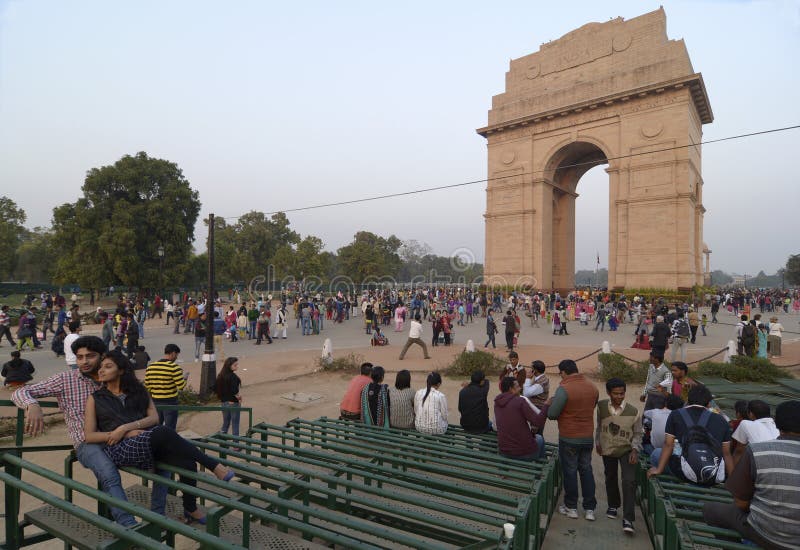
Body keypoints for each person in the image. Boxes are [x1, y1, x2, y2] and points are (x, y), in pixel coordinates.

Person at [84, 350, 234, 525]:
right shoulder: (95, 398)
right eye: (101, 367)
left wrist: (127, 427)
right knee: (163, 431)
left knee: (187, 462)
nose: (101, 370)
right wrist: (117, 433)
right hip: (120, 448)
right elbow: (89, 436)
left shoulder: (138, 390)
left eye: (108, 366)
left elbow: (153, 417)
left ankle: (190, 508)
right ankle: (213, 465)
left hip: (146, 441)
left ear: (122, 370)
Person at [12, 336, 140, 527]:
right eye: (79, 357)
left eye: (90, 356)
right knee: (108, 473)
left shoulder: (111, 378)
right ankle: (129, 525)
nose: (84, 361)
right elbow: (20, 391)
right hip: (87, 443)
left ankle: (168, 512)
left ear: (103, 356)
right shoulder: (66, 380)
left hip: (117, 437)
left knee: (162, 459)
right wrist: (32, 405)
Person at [702, 400, 800, 550]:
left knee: (710, 510)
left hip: (767, 536)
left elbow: (741, 503)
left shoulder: (758, 450)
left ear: (777, 423)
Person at [647, 385, 733, 484]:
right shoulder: (721, 420)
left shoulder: (676, 414)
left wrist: (659, 469)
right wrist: (732, 479)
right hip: (712, 474)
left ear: (687, 400)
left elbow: (668, 444)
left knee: (656, 453)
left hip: (685, 471)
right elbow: (726, 453)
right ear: (709, 404)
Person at [548, 359, 599, 521]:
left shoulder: (564, 388)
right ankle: (590, 509)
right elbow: (592, 405)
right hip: (587, 437)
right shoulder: (592, 387)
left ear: (564, 372)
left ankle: (571, 507)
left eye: (560, 373)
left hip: (569, 437)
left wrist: (552, 404)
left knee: (570, 472)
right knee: (586, 470)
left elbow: (552, 414)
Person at [595, 378, 642, 534]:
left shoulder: (634, 411)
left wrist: (635, 450)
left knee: (629, 481)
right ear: (609, 393)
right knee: (610, 476)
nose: (619, 397)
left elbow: (637, 434)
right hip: (608, 448)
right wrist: (598, 442)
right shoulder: (601, 406)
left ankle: (628, 518)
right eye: (615, 394)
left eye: (622, 393)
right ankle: (613, 505)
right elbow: (599, 426)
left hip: (627, 450)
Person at [494, 376, 547, 460]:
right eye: (517, 386)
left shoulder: (497, 403)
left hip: (503, 451)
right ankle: (542, 467)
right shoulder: (520, 401)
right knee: (539, 439)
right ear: (511, 389)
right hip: (524, 453)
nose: (520, 388)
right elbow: (538, 422)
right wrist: (546, 406)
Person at [143, 343, 187, 430]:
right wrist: (185, 378)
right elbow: (181, 386)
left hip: (155, 402)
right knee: (170, 428)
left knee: (156, 427)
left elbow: (147, 387)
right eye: (177, 355)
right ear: (173, 353)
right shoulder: (174, 367)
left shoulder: (150, 367)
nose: (176, 358)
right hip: (170, 402)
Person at [731, 400, 779, 467]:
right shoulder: (778, 426)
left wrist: (732, 473)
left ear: (750, 414)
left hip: (761, 467)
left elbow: (739, 451)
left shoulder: (745, 423)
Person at [643, 394, 683, 458]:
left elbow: (645, 413)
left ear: (665, 403)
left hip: (654, 448)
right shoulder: (679, 417)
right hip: (672, 451)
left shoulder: (655, 412)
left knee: (646, 421)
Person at [214, 357, 242, 436]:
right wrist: (239, 398)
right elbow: (234, 391)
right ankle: (236, 445)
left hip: (224, 402)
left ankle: (223, 439)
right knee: (235, 423)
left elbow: (216, 389)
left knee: (226, 422)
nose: (237, 367)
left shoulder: (221, 375)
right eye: (235, 365)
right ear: (229, 365)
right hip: (233, 402)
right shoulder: (233, 377)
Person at [458, 370, 491, 434]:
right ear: (481, 381)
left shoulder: (462, 392)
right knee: (490, 424)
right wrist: (469, 383)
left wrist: (469, 384)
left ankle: (468, 443)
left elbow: (460, 409)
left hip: (465, 425)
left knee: (468, 427)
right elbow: (487, 381)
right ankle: (482, 443)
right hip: (482, 427)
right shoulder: (483, 391)